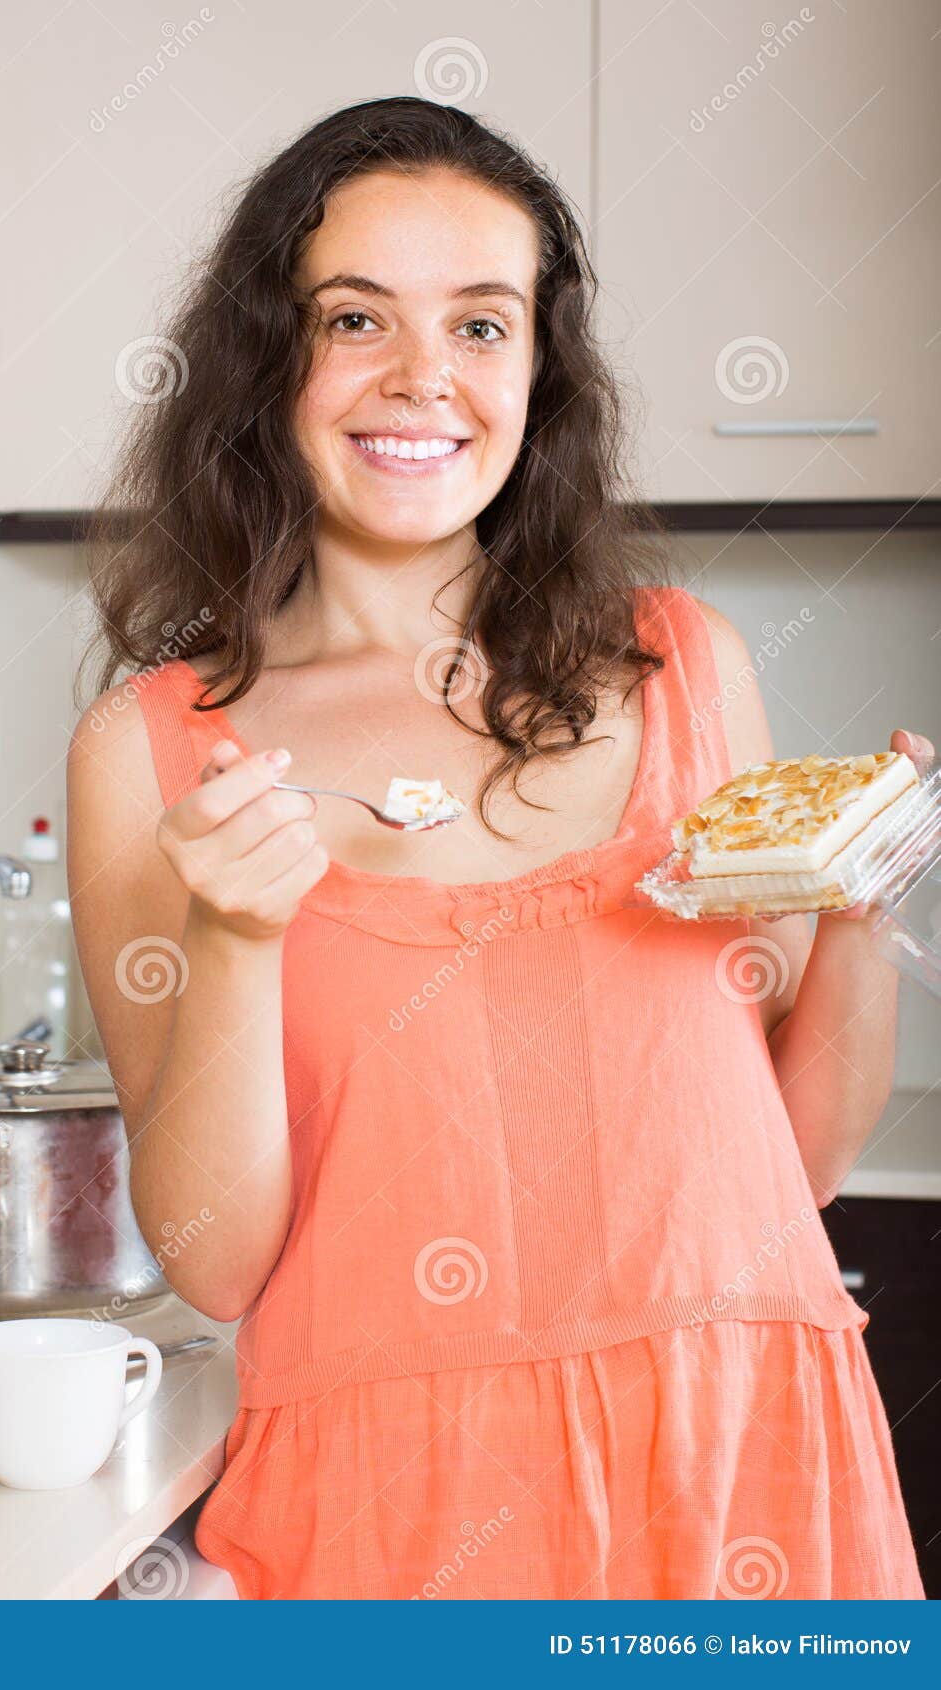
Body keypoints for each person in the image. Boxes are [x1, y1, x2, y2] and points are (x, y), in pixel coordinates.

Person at [66, 96, 928, 1600]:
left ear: (540, 369)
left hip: (745, 1459)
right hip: (397, 1511)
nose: (422, 379)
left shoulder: (680, 667)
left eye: (480, 325)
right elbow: (211, 1258)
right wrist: (234, 939)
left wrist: (859, 891)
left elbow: (789, 1165)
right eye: (354, 319)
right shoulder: (161, 750)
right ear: (268, 362)